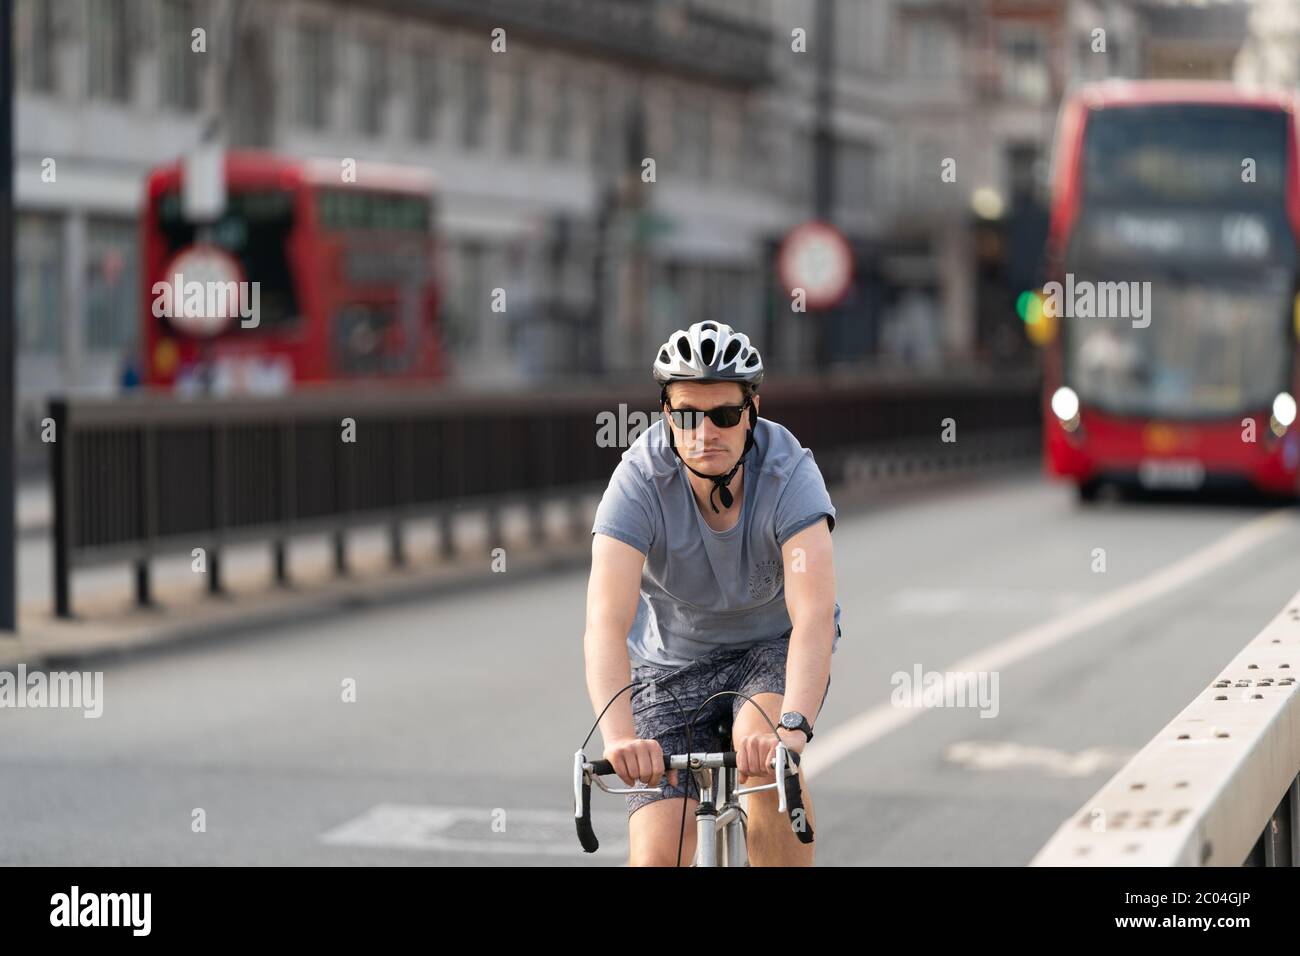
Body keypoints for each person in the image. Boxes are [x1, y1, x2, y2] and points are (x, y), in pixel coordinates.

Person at [584, 320, 841, 866]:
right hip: (669, 663)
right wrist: (619, 739)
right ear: (667, 415)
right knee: (658, 856)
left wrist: (792, 728)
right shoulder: (637, 481)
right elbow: (606, 621)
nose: (706, 433)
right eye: (688, 416)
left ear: (751, 410)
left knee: (761, 761)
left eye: (724, 415)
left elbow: (815, 614)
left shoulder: (789, 473)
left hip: (769, 648)